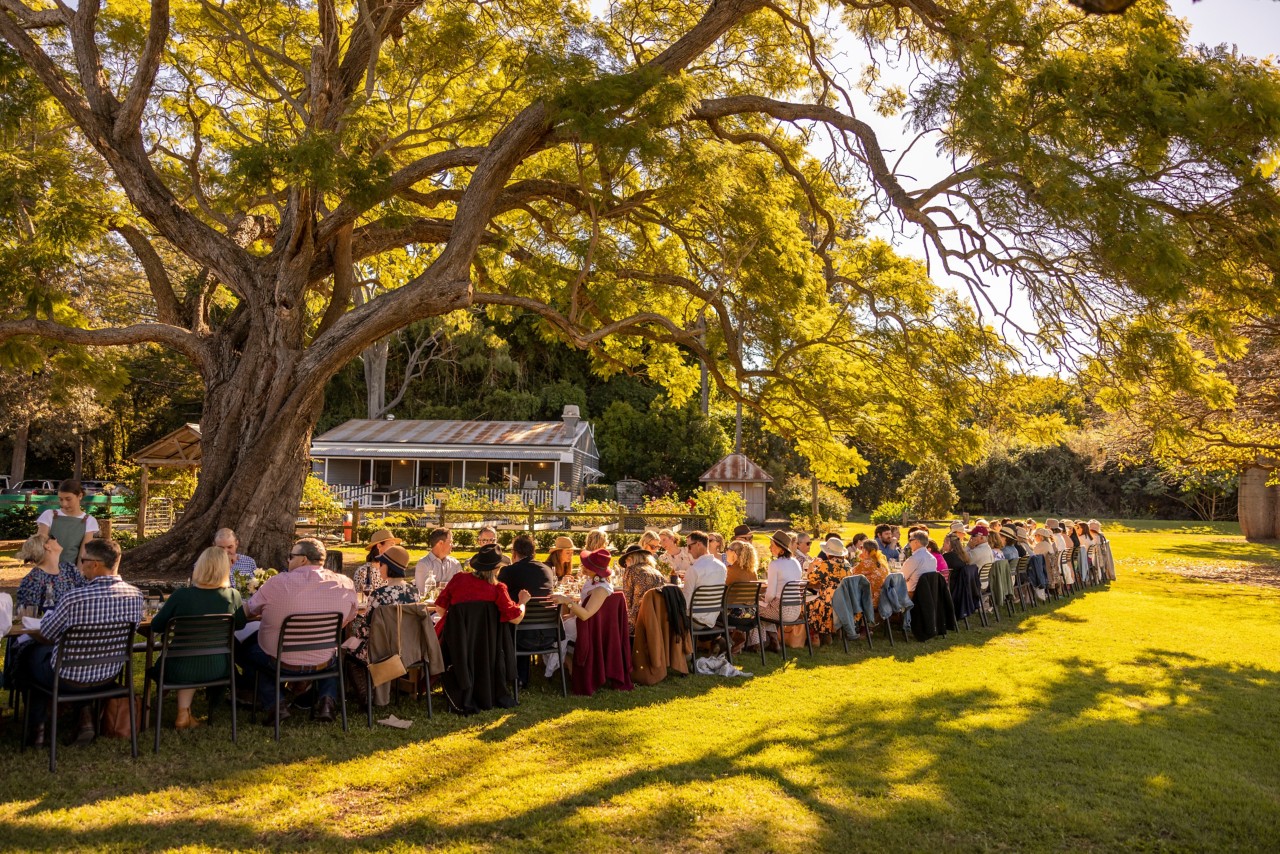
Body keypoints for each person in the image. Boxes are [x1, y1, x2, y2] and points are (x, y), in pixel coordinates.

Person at [18, 539, 141, 747]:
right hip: (108, 675)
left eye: (82, 560)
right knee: (66, 658)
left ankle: (36, 729)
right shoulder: (135, 596)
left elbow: (47, 632)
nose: (80, 564)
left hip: (67, 678)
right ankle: (84, 718)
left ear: (94, 564)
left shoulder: (74, 598)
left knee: (27, 655)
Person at [242, 538, 357, 724]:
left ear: (303, 559)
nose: (288, 561)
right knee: (333, 655)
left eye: (291, 556)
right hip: (323, 660)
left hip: (281, 661)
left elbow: (247, 612)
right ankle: (327, 702)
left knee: (249, 651)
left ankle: (276, 705)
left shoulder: (277, 583)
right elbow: (349, 617)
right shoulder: (345, 583)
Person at [150, 546, 247, 729]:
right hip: (218, 666)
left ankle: (182, 712)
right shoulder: (233, 596)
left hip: (178, 667)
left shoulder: (181, 596)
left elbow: (156, 625)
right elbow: (240, 624)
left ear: (200, 567)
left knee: (189, 655)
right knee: (196, 655)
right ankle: (183, 713)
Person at [499, 535, 559, 686]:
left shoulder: (508, 571)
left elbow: (499, 598)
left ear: (514, 553)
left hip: (520, 635)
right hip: (549, 634)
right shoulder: (547, 570)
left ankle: (512, 676)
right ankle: (521, 676)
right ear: (534, 552)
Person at [433, 545, 528, 638]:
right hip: (486, 644)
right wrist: (522, 602)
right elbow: (516, 618)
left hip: (455, 642)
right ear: (497, 567)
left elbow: (440, 608)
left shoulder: (459, 579)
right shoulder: (498, 588)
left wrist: (459, 626)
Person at [347, 545, 419, 664]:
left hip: (381, 651)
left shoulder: (379, 594)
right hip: (408, 649)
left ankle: (368, 682)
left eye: (381, 565)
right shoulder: (414, 592)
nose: (379, 568)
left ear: (389, 567)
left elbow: (366, 629)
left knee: (347, 651)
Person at [549, 548, 615, 656]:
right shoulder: (592, 580)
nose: (582, 566)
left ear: (595, 570)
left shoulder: (601, 589)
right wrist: (572, 613)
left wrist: (567, 601)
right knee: (557, 625)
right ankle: (565, 664)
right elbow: (585, 603)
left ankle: (558, 666)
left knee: (556, 630)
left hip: (588, 627)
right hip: (582, 621)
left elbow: (585, 615)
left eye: (587, 565)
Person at [746, 531, 803, 651]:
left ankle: (757, 643)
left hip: (781, 610)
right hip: (796, 609)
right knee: (764, 607)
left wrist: (765, 600)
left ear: (781, 548)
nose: (769, 547)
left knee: (753, 608)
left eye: (772, 545)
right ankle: (773, 640)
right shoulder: (796, 562)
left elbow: (771, 594)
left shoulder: (775, 564)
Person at [14, 534, 83, 612]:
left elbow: (85, 595)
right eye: (52, 538)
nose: (56, 539)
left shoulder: (70, 569)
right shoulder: (33, 579)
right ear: (47, 546)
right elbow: (27, 615)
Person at [35, 479, 99, 561]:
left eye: (68, 499)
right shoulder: (49, 515)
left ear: (80, 496)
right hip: (47, 568)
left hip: (71, 570)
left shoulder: (89, 521)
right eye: (61, 499)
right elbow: (39, 546)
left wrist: (78, 573)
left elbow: (83, 555)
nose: (64, 504)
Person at [806, 536, 851, 644]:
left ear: (828, 553)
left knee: (806, 604)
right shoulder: (847, 565)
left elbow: (810, 578)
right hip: (844, 601)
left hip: (828, 602)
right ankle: (832, 631)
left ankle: (820, 634)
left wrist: (812, 565)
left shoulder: (827, 565)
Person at [616, 544, 667, 631]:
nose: (626, 565)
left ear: (630, 558)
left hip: (639, 618)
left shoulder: (631, 570)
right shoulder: (657, 572)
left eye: (625, 562)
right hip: (658, 617)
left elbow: (627, 599)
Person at [682, 531, 727, 629]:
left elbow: (686, 602)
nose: (688, 551)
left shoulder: (694, 569)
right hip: (713, 619)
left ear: (698, 544)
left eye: (689, 547)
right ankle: (714, 639)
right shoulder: (722, 566)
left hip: (694, 620)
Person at [415, 528, 462, 598]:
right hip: (431, 607)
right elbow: (422, 593)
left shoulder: (455, 564)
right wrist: (450, 585)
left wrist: (438, 584)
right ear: (440, 543)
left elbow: (461, 588)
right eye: (451, 542)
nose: (453, 545)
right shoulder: (423, 564)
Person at [352, 528, 400, 594]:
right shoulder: (363, 572)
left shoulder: (393, 569)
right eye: (391, 545)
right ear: (379, 546)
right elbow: (362, 599)